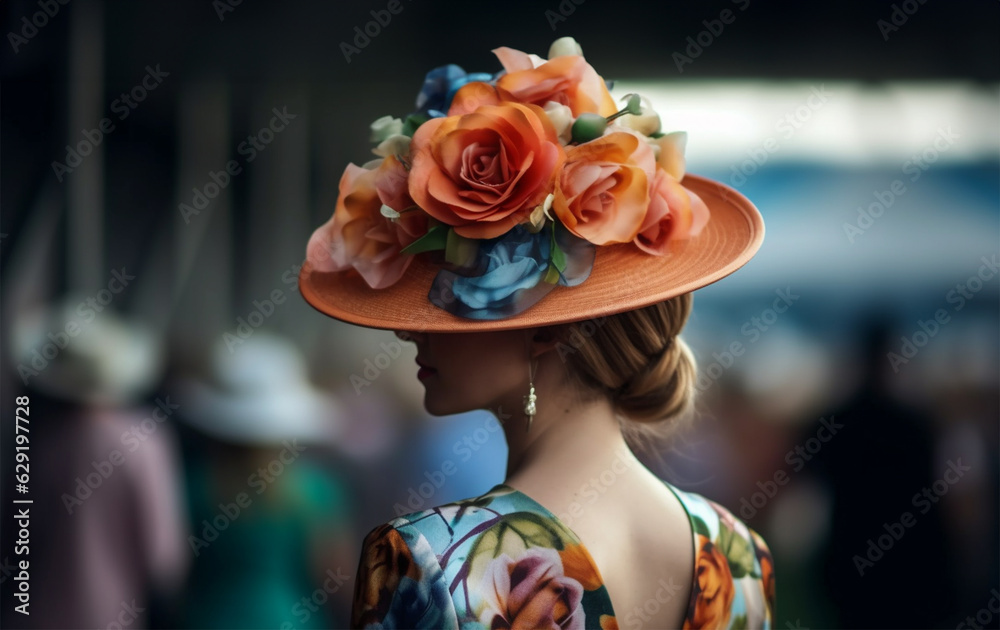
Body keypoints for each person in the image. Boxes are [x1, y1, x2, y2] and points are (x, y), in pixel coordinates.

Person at [299, 37, 775, 629]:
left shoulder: (430, 564)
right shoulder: (739, 557)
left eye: (452, 294)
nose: (412, 334)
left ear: (546, 329)